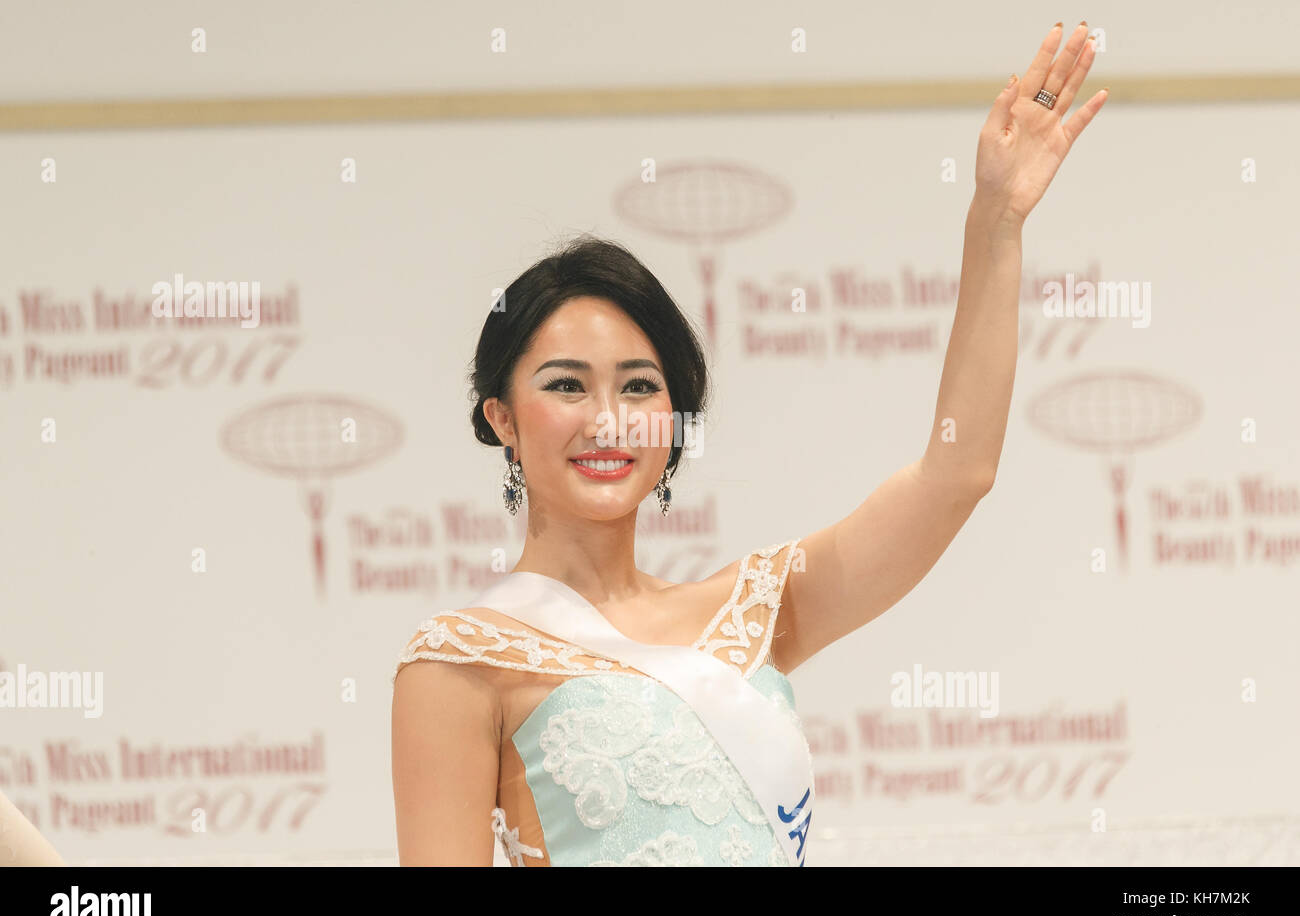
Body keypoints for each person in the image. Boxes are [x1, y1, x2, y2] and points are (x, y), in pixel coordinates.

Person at [391, 20, 1106, 867]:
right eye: (565, 385)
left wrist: (996, 221)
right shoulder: (460, 663)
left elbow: (958, 473)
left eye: (639, 386)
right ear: (501, 417)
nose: (607, 418)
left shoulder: (757, 610)